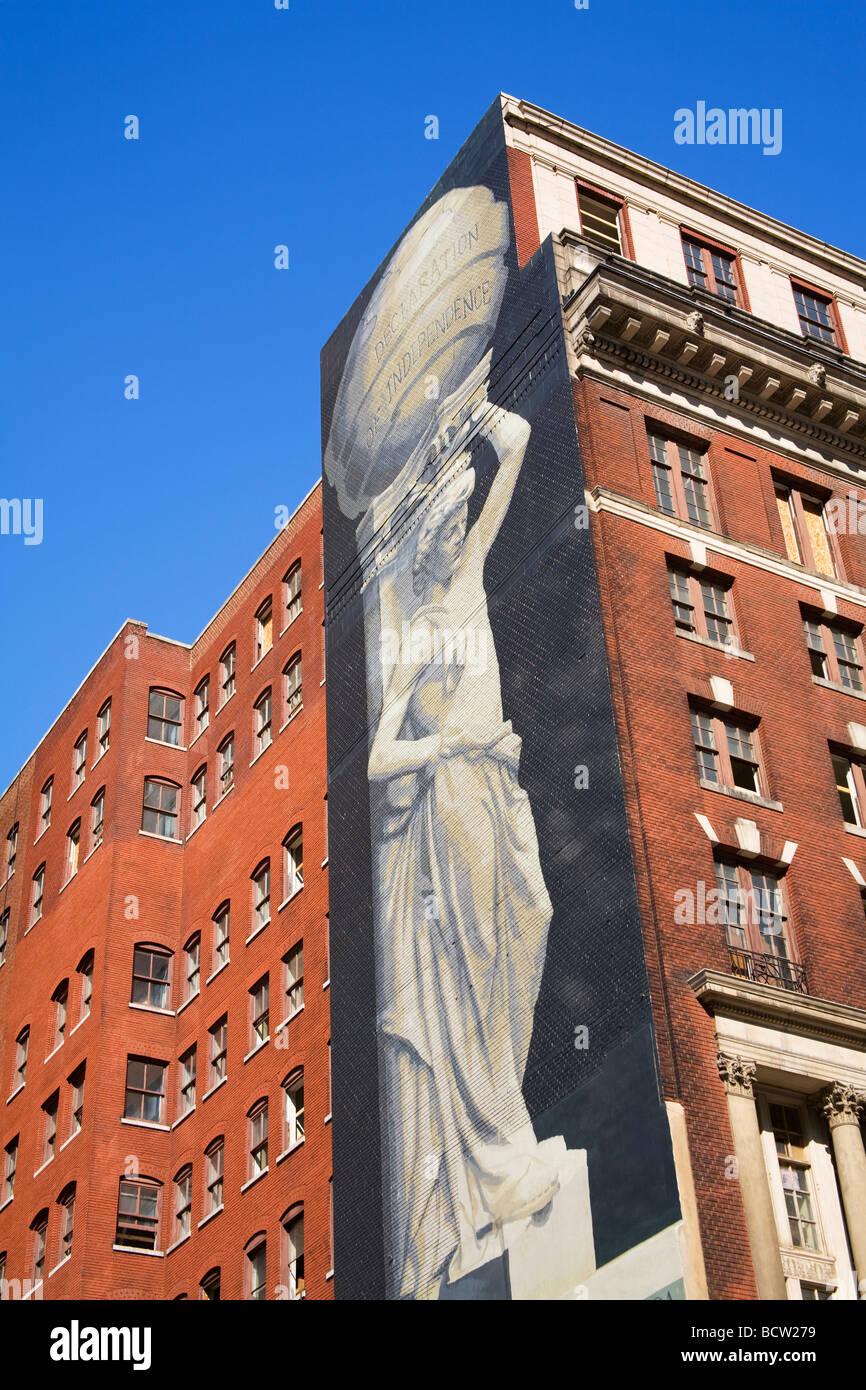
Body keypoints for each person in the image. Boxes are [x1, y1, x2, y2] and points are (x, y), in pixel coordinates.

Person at [368, 401, 562, 1298]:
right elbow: (377, 758)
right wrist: (443, 746)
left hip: (500, 783)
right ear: (424, 546)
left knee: (533, 918)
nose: (453, 535)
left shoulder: (475, 573)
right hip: (454, 794)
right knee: (480, 951)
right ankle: (497, 1144)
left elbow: (517, 445)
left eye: (457, 521)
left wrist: (474, 417)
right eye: (441, 528)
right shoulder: (414, 636)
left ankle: (499, 1132)